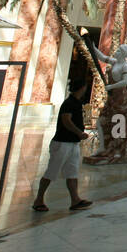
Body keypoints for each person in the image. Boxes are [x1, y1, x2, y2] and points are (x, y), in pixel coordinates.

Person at [33, 79, 93, 211]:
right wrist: (79, 133)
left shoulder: (76, 102)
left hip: (73, 143)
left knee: (72, 172)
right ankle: (38, 200)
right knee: (51, 172)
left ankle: (75, 200)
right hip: (62, 143)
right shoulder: (69, 103)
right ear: (82, 88)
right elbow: (66, 120)